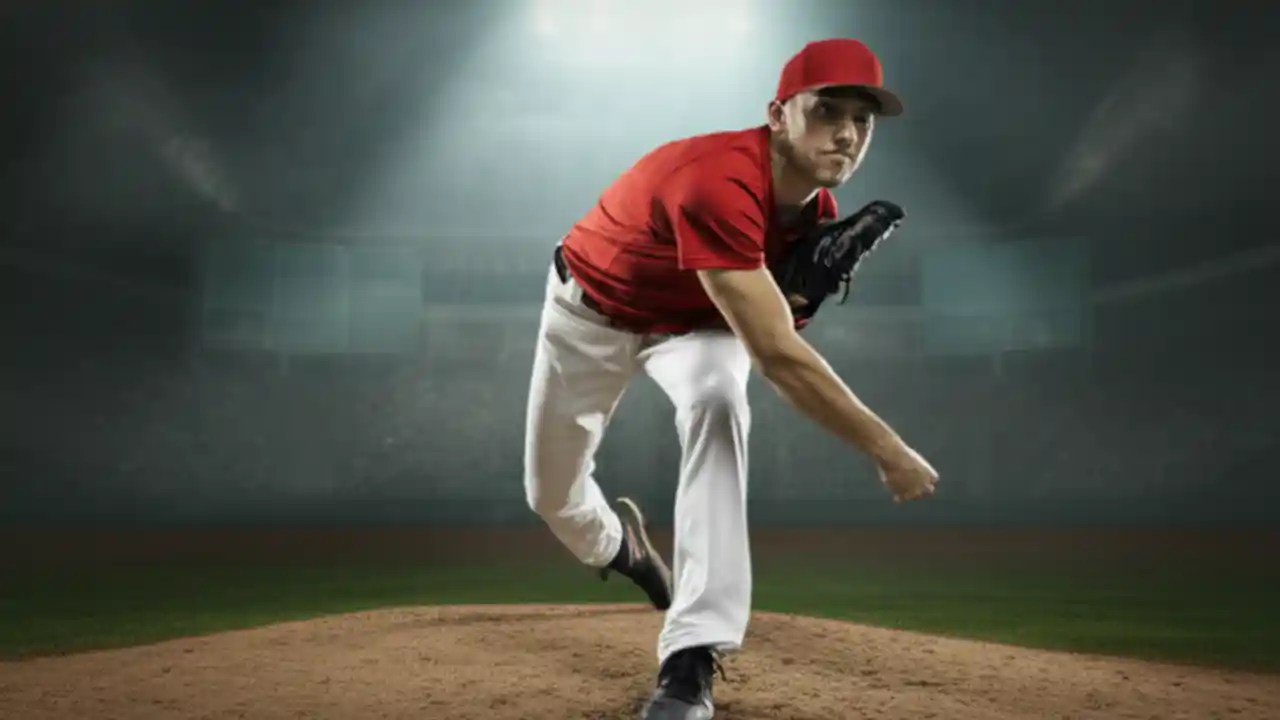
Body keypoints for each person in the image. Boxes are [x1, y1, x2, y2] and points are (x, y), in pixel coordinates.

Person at [522, 38, 940, 719]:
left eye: (862, 120)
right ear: (778, 114)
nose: (847, 133)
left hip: (692, 330)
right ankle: (622, 549)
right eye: (826, 109)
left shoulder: (817, 219)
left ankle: (691, 657)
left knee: (719, 401)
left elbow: (764, 332)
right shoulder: (718, 181)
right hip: (589, 315)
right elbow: (777, 356)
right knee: (550, 495)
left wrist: (799, 298)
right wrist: (887, 448)